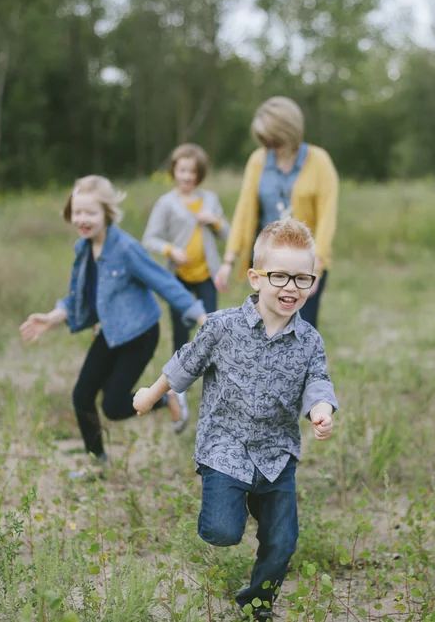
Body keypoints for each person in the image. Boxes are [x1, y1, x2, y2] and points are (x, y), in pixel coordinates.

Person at [135, 218, 338, 620]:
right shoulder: (222, 326)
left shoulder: (310, 339)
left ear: (311, 283)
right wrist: (150, 394)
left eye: (302, 279)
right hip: (225, 447)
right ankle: (229, 499)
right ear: (255, 277)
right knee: (222, 532)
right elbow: (186, 364)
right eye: (280, 276)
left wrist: (320, 410)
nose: (290, 288)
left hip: (277, 453)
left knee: (282, 540)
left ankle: (257, 603)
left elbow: (318, 379)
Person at [20, 175, 206, 472]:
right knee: (81, 395)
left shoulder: (126, 249)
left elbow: (163, 282)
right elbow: (77, 296)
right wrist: (51, 318)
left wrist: (200, 315)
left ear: (107, 213)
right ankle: (98, 463)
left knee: (114, 407)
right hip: (110, 333)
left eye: (90, 213)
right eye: (77, 212)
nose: (82, 219)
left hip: (140, 334)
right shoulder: (83, 249)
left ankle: (166, 398)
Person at [214, 96, 339, 330]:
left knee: (301, 331)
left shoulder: (319, 161)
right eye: (264, 138)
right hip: (269, 261)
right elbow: (244, 212)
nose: (269, 142)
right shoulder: (257, 161)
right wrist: (228, 260)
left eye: (274, 137)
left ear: (289, 131)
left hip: (306, 261)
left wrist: (316, 268)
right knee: (265, 328)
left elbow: (327, 218)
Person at [142, 143, 229, 426]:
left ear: (199, 173)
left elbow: (226, 232)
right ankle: (177, 390)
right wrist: (170, 249)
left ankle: (214, 389)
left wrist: (214, 221)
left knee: (212, 330)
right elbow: (149, 238)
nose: (187, 176)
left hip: (206, 275)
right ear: (174, 172)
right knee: (182, 334)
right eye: (182, 170)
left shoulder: (210, 199)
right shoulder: (166, 203)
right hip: (178, 278)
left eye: (192, 171)